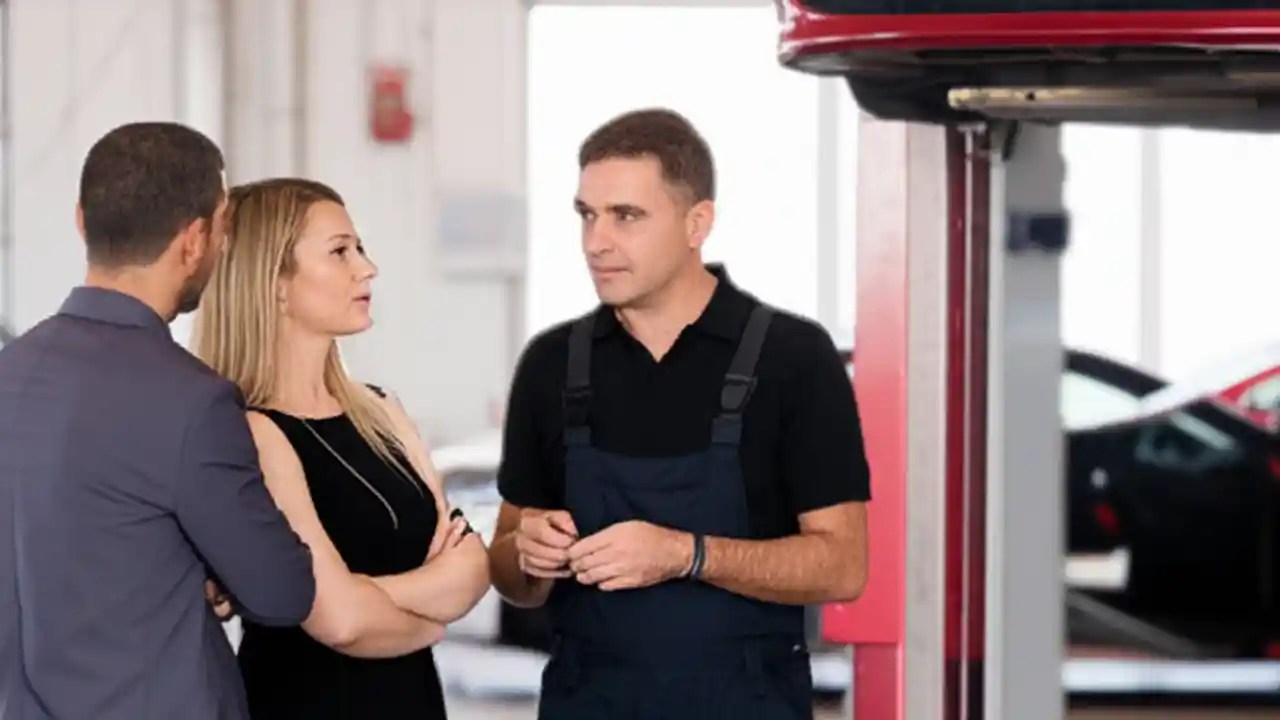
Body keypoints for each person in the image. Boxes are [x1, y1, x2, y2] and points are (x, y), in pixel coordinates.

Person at [489, 108, 872, 718]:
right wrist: (526, 554)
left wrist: (685, 554)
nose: (596, 242)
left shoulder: (792, 358)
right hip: (589, 699)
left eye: (626, 217)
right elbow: (512, 573)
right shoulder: (551, 364)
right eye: (587, 215)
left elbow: (843, 565)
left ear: (698, 223)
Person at [0, 122, 317, 720]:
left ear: (80, 221)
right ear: (194, 241)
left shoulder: (9, 373)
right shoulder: (191, 401)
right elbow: (283, 592)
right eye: (225, 229)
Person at [192, 177, 490, 719]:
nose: (367, 268)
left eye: (360, 248)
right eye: (340, 252)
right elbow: (342, 623)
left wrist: (357, 594)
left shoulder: (383, 411)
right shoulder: (255, 434)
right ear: (275, 283)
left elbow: (470, 567)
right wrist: (419, 608)